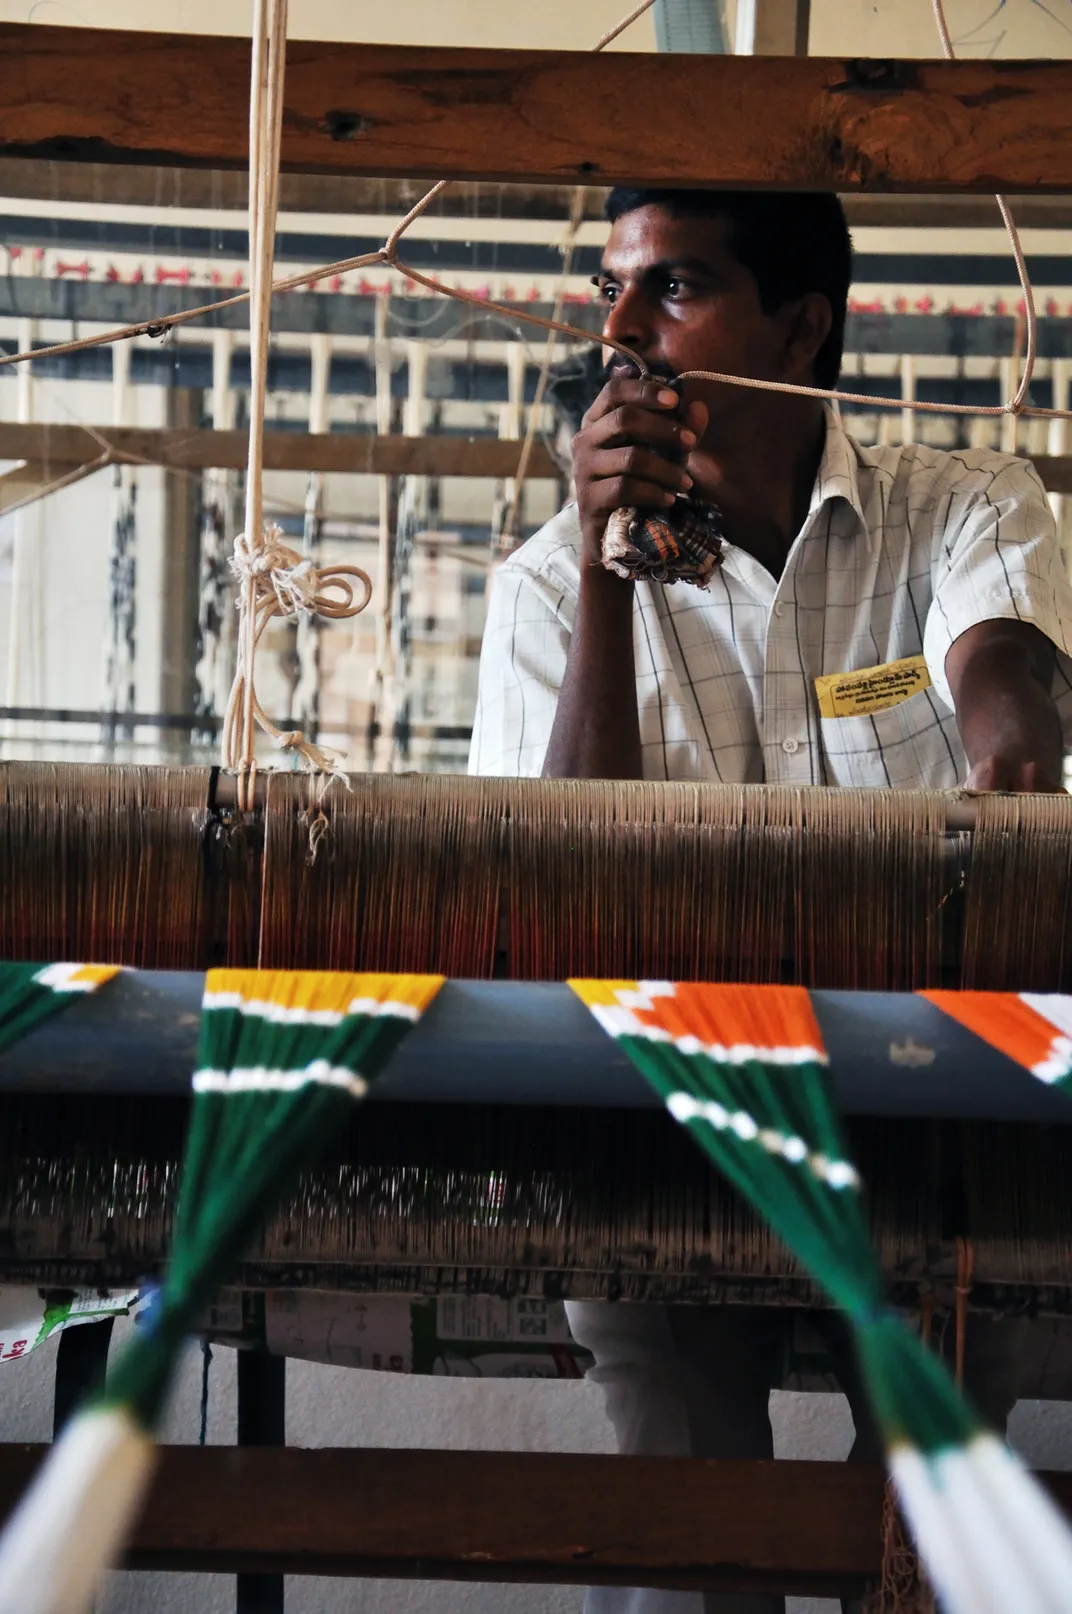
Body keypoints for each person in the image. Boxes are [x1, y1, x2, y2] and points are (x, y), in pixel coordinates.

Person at [469, 187, 1072, 1614]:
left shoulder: (962, 510)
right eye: (613, 289)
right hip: (662, 1129)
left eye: (673, 290)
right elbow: (564, 876)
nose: (620, 331)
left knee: (931, 1524)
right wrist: (614, 572)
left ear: (799, 327)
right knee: (684, 1541)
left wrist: (1013, 756)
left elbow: (1010, 694)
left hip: (934, 1131)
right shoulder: (551, 590)